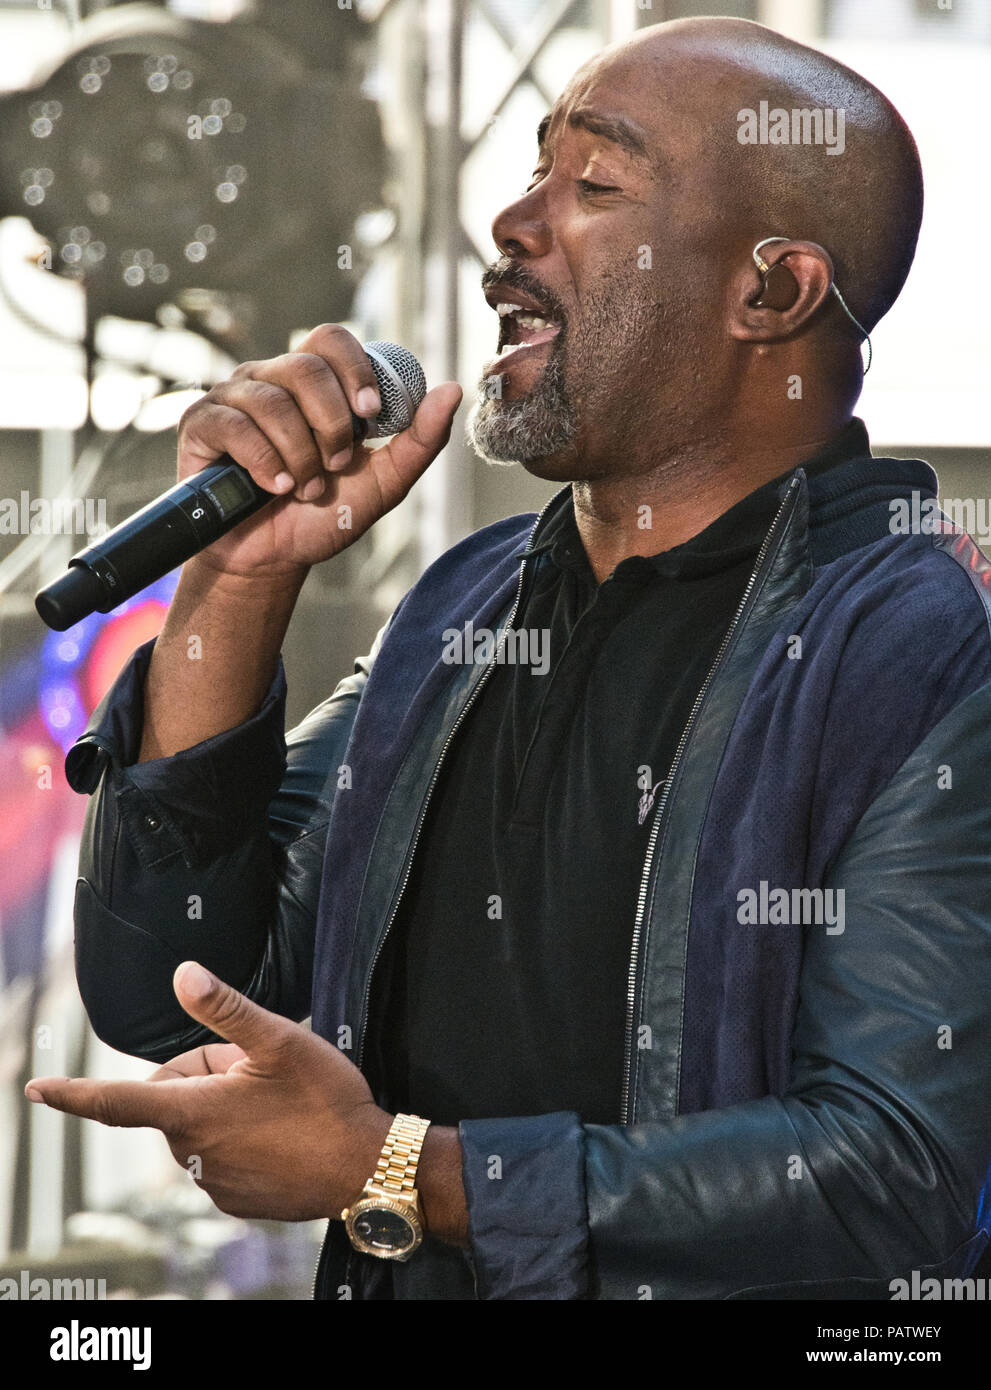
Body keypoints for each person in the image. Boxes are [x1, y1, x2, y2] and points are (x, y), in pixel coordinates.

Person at [28, 16, 991, 1300]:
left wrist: (397, 1171)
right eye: (534, 171)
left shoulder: (922, 651)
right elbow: (177, 990)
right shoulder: (463, 610)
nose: (512, 226)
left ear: (770, 292)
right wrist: (237, 580)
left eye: (592, 185)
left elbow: (891, 1176)